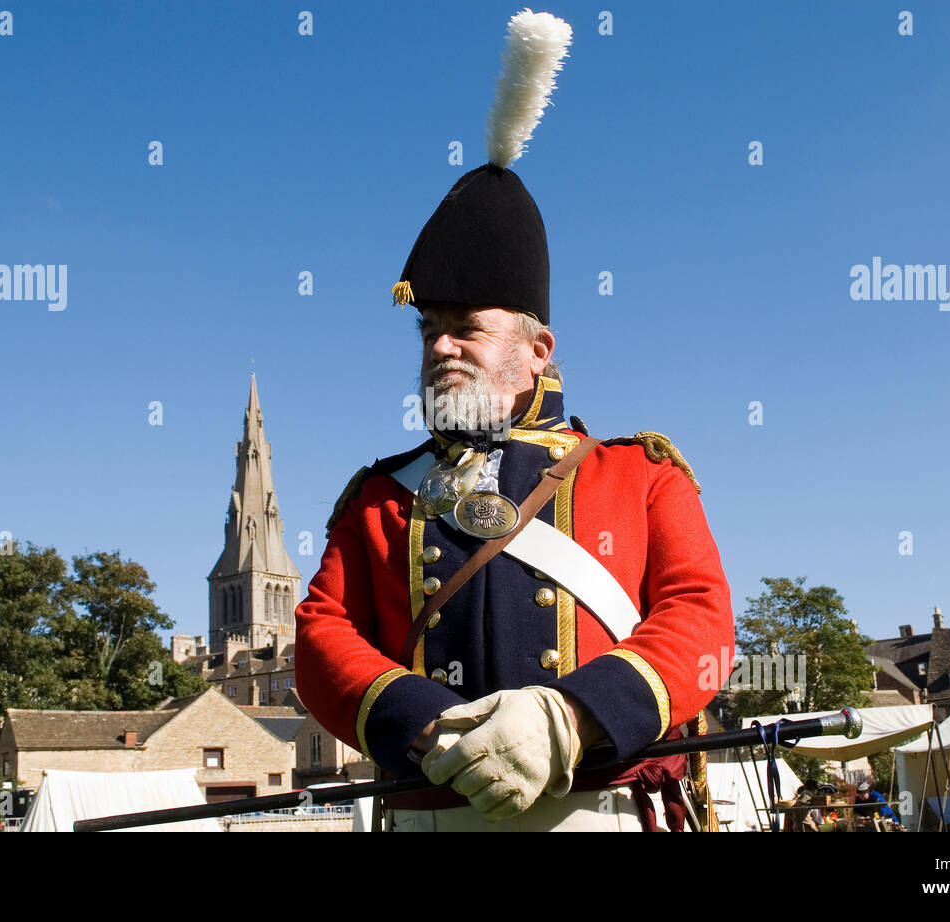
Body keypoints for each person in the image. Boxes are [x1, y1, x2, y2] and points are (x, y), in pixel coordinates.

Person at [292, 11, 736, 831]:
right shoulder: (380, 499)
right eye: (430, 330)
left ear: (539, 349)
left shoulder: (641, 476)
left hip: (597, 812)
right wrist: (425, 724)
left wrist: (568, 719)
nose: (443, 347)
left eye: (467, 326)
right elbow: (324, 635)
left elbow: (700, 618)